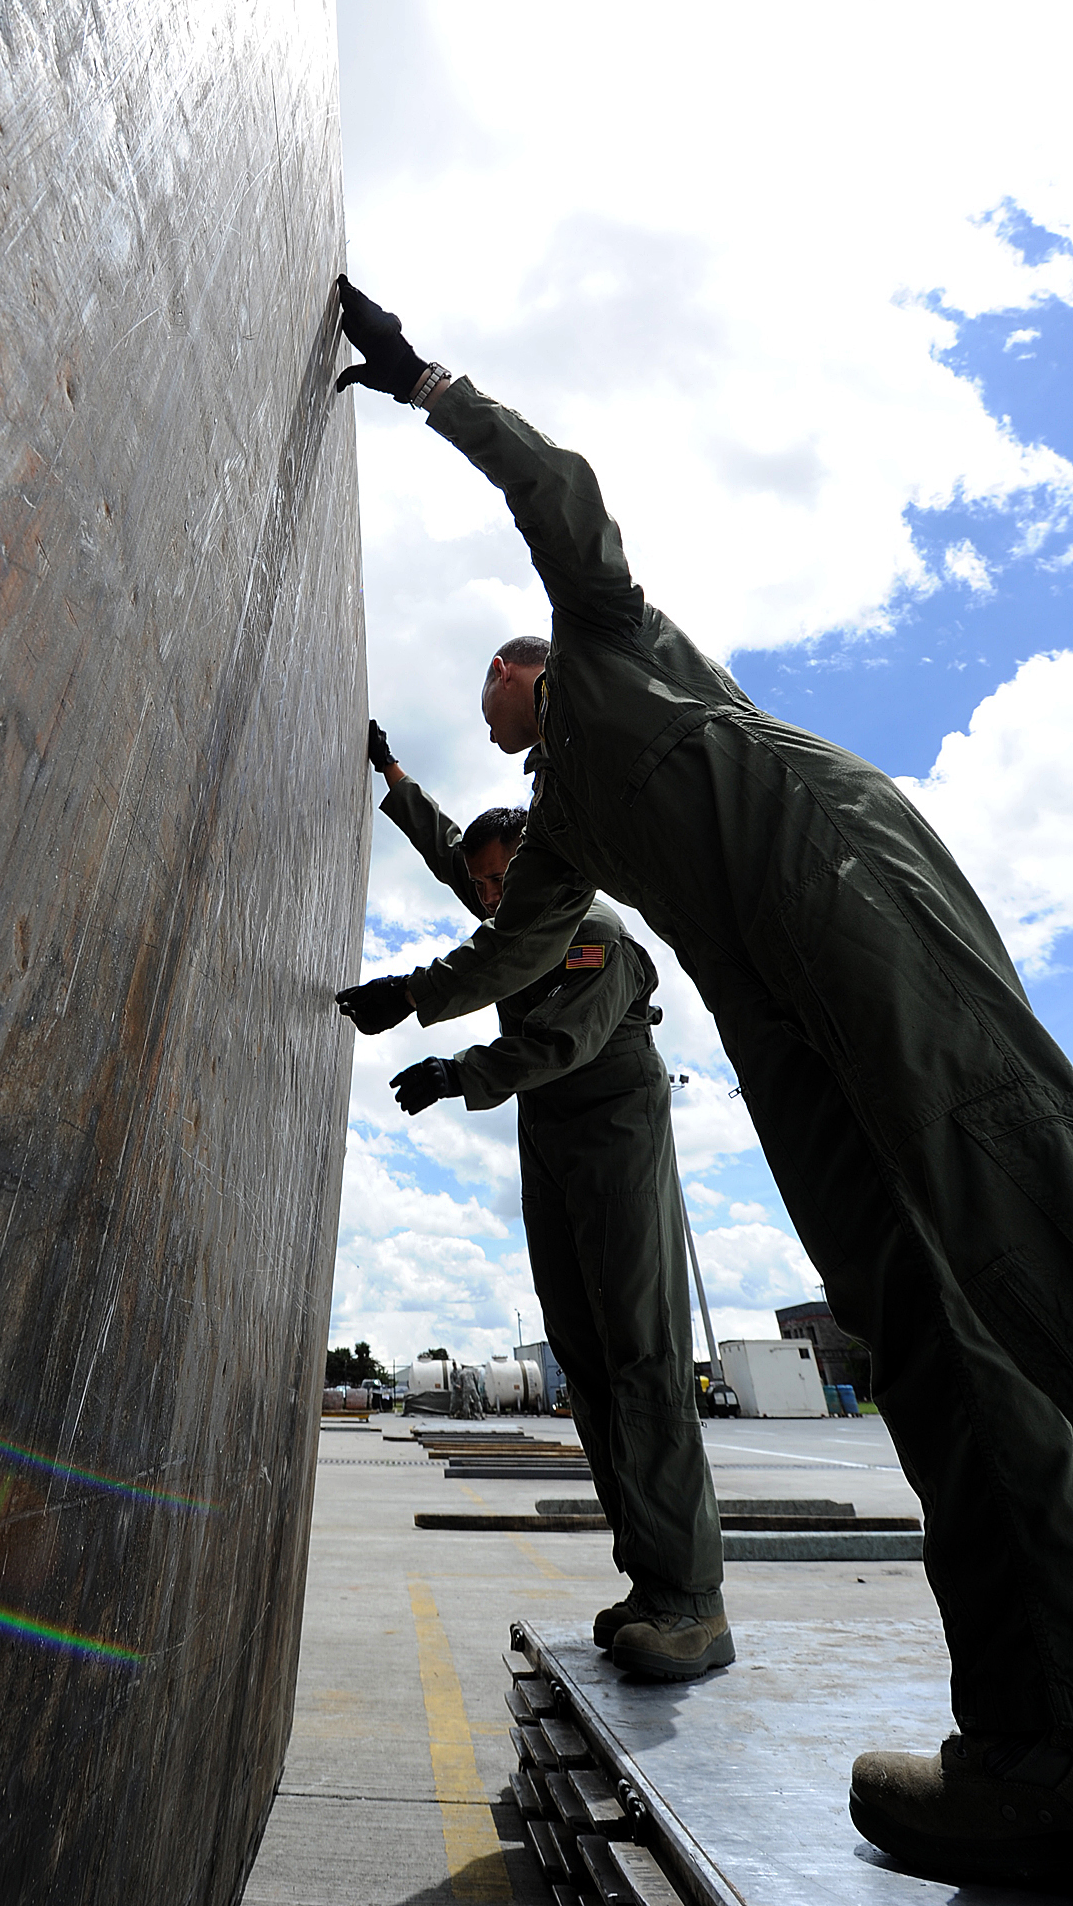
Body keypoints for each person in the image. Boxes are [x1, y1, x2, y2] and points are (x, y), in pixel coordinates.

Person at [333, 275, 1073, 1890]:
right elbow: (500, 952)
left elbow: (561, 496)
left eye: (498, 681)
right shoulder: (568, 828)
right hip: (767, 991)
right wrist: (400, 998)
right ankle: (1035, 1741)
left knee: (1005, 1214)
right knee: (911, 1317)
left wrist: (430, 389)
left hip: (830, 870)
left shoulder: (610, 636)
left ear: (538, 655)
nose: (495, 701)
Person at [369, 715, 729, 1676]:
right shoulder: (512, 914)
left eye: (501, 882)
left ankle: (694, 1602)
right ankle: (651, 1581)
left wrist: (455, 1071)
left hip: (612, 1126)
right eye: (484, 887)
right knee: (585, 1360)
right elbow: (455, 852)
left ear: (539, 867)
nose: (488, 897)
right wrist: (395, 771)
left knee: (643, 1356)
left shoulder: (590, 933)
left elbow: (554, 1045)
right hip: (553, 1139)